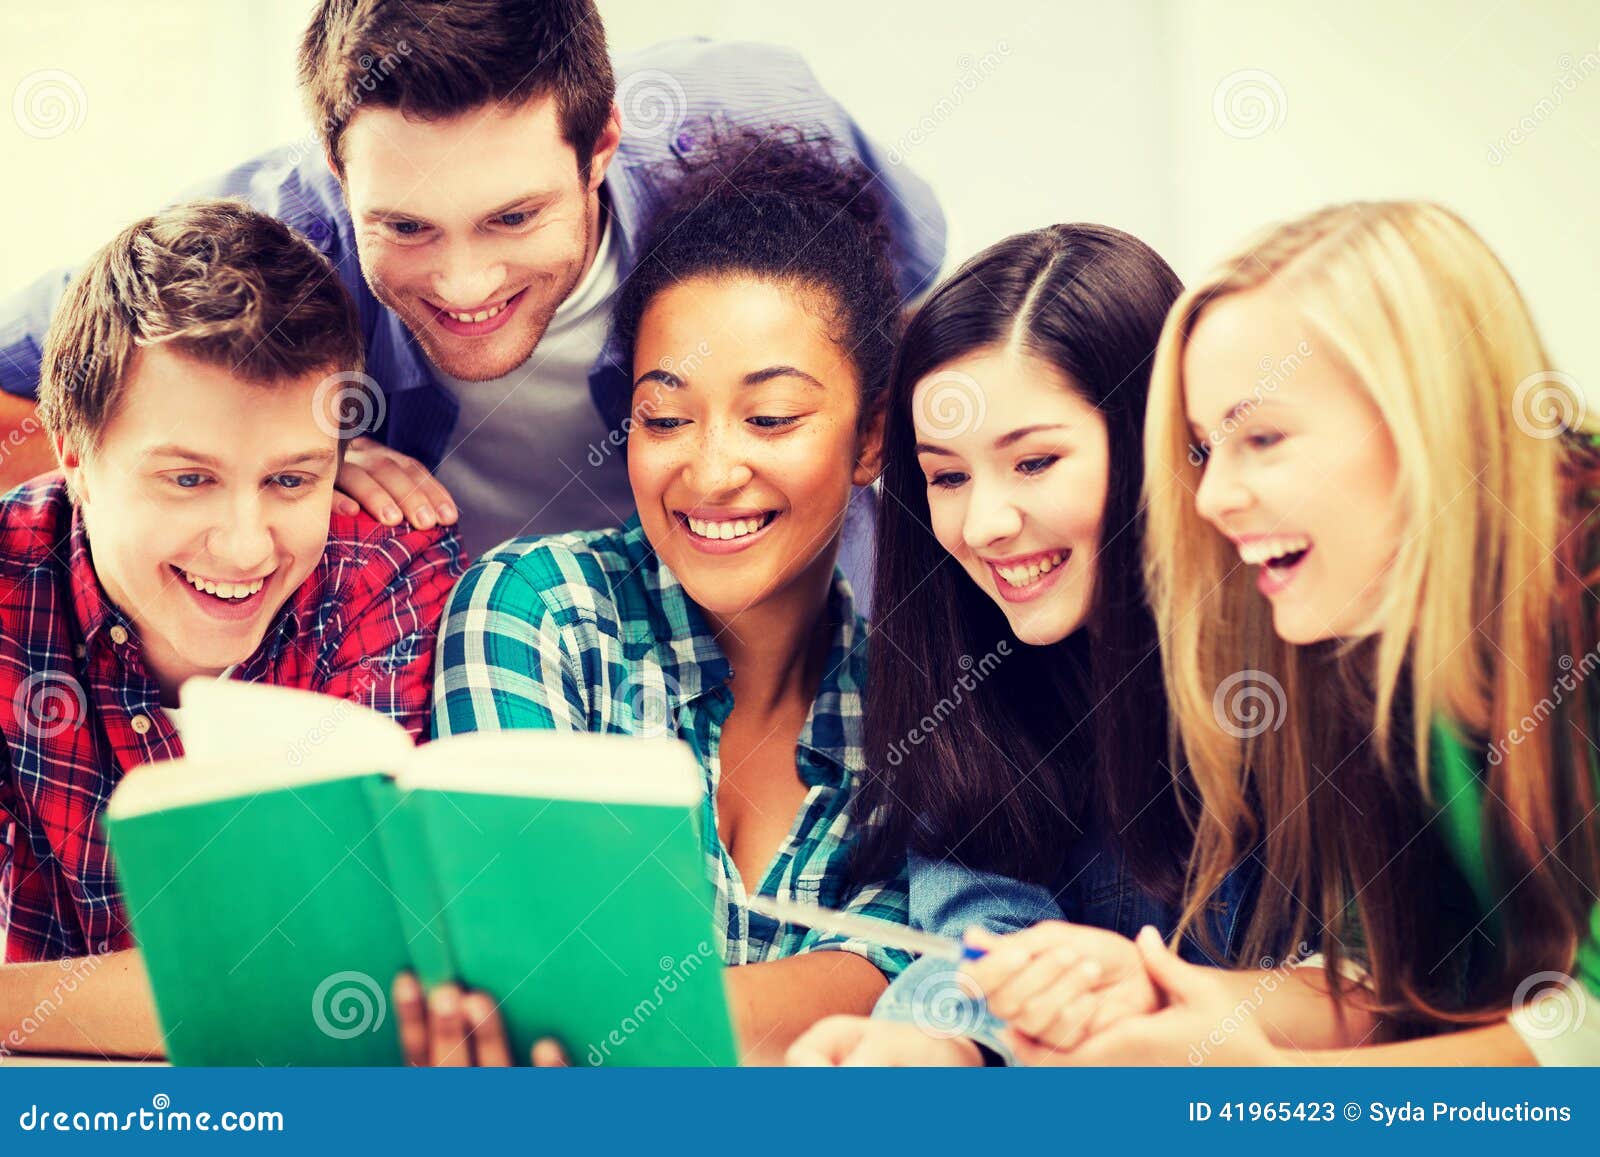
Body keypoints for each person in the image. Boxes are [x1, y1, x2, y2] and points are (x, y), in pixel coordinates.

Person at [0, 0, 946, 602]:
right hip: (463, 698)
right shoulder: (270, 244)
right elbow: (24, 409)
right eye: (407, 228)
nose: (463, 288)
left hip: (796, 658)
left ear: (603, 142)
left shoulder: (753, 120)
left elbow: (907, 330)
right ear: (337, 169)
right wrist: (277, 462)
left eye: (512, 217)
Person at [976, 201, 1600, 1064]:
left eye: (1262, 437)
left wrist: (1277, 1095)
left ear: (1431, 418)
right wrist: (1163, 1000)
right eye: (1202, 449)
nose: (1211, 498)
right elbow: (1404, 978)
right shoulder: (1367, 635)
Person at [409, 132, 909, 1066]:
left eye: (771, 418)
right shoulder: (534, 611)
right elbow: (532, 995)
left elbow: (902, 980)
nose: (712, 471)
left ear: (871, 436)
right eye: (666, 417)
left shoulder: (909, 705)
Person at [0, 199, 463, 1059]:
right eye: (188, 479)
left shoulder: (382, 585)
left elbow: (302, 983)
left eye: (292, 479)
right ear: (74, 454)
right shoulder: (9, 582)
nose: (246, 545)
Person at [787, 225, 1254, 1067]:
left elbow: (1383, 980)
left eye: (1034, 462)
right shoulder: (971, 683)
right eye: (949, 476)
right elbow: (981, 938)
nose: (985, 525)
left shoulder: (1294, 660)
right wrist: (936, 1047)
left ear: (1157, 440)